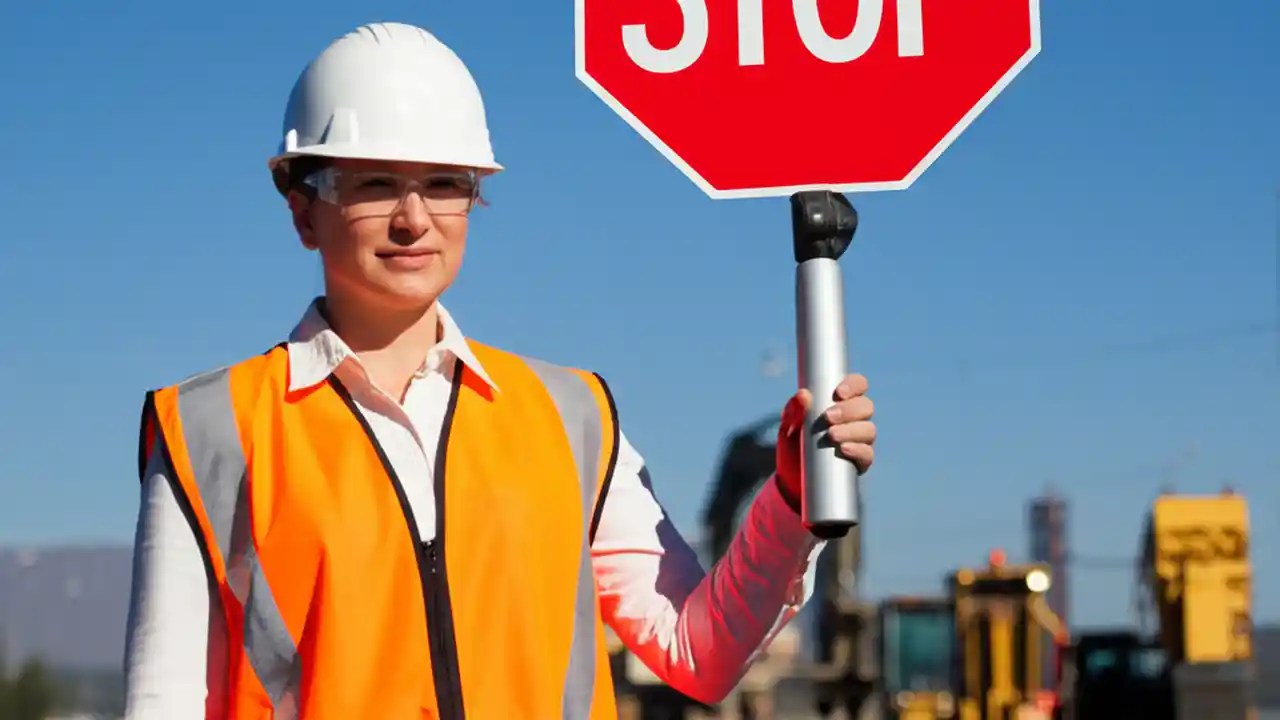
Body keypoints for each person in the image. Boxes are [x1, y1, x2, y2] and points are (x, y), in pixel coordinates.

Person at [121, 20, 878, 720]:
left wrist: (788, 503)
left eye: (445, 184)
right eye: (376, 184)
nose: (414, 217)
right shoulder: (213, 429)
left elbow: (697, 652)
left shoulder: (569, 414)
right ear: (302, 210)